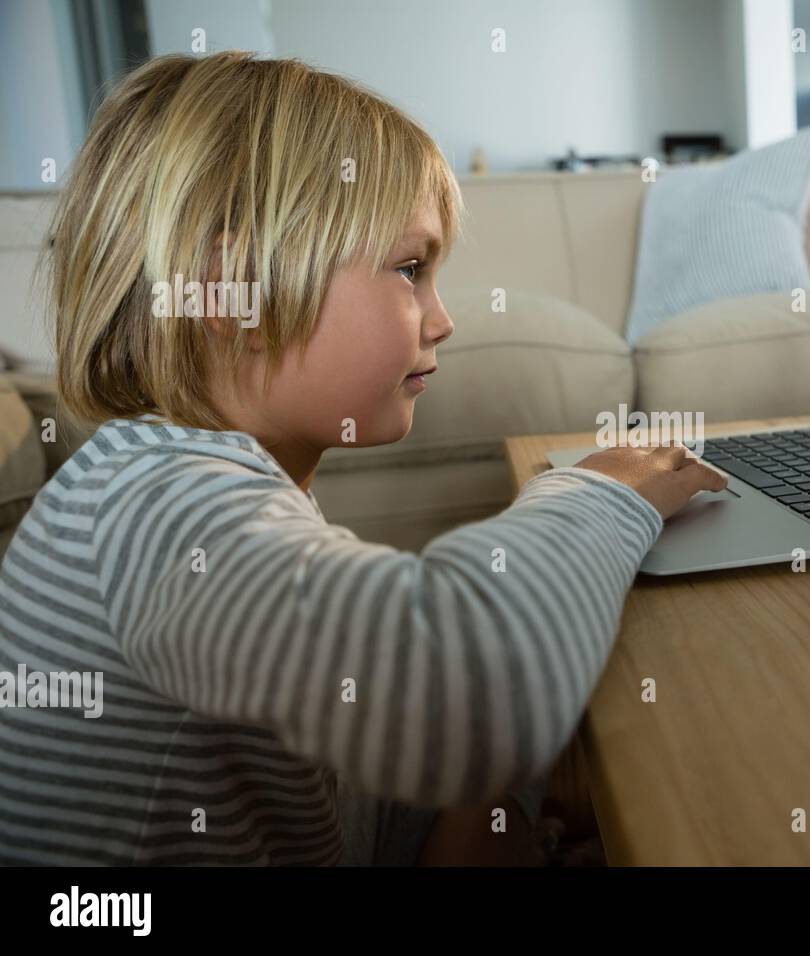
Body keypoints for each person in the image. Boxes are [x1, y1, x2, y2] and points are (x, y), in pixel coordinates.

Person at [0, 52, 723, 865]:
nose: (442, 318)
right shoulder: (158, 504)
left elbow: (337, 791)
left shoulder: (196, 478)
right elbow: (472, 693)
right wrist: (598, 492)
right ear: (234, 288)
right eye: (410, 269)